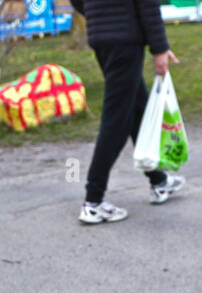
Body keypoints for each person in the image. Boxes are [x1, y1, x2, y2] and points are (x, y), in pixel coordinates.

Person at [69, 0, 186, 224]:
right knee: (117, 121)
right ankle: (93, 201)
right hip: (124, 37)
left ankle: (159, 181)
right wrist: (159, 48)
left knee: (137, 108)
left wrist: (99, 13)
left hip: (102, 36)